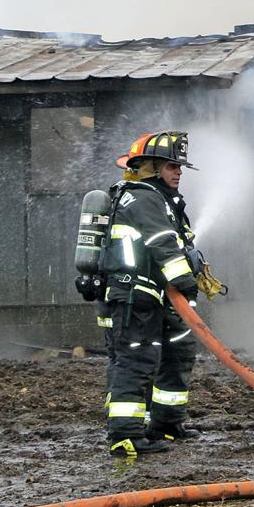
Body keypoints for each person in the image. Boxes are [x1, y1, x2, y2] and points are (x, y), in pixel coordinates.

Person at [98, 131, 204, 457]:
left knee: (177, 353)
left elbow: (178, 242)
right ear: (151, 166)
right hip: (136, 296)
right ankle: (126, 435)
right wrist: (185, 279)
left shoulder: (162, 199)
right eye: (172, 165)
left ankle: (167, 424)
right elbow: (161, 243)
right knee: (136, 360)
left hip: (158, 296)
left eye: (179, 166)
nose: (179, 171)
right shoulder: (143, 198)